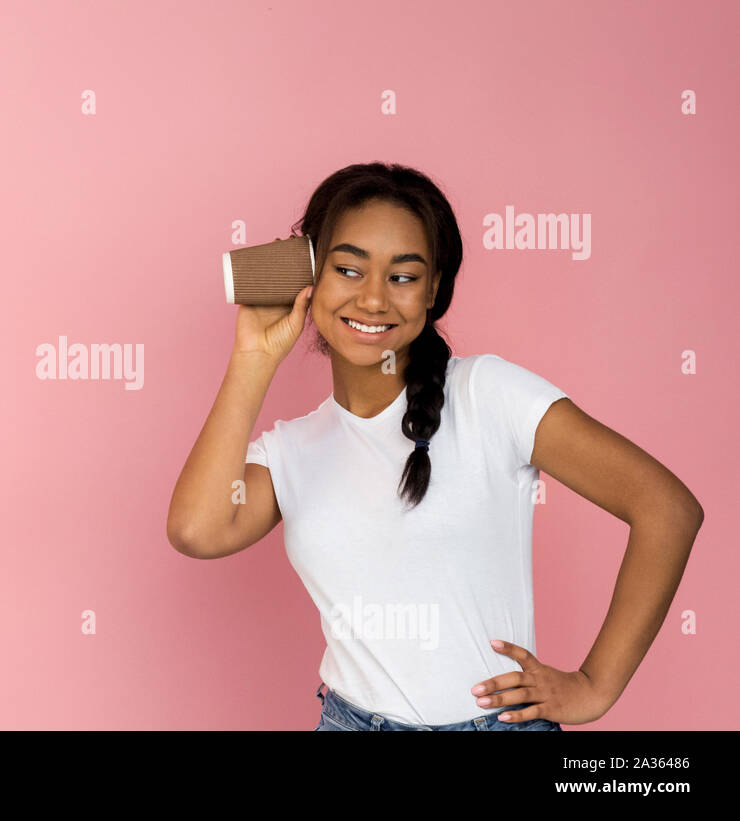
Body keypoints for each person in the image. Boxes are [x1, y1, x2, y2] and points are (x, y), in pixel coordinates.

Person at [166, 162, 703, 731]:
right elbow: (197, 530)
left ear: (435, 289)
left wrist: (595, 686)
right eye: (347, 269)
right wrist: (253, 359)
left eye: (402, 276)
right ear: (310, 274)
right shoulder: (291, 450)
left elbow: (667, 509)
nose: (373, 299)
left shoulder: (487, 394)